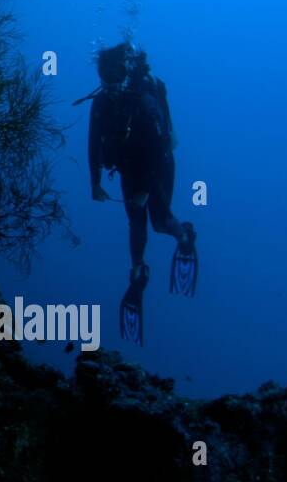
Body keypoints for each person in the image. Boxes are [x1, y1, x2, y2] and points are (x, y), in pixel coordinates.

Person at [78, 43, 198, 344]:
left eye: (115, 74)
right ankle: (137, 273)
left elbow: (159, 149)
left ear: (127, 71)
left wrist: (146, 189)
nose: (110, 82)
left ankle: (184, 236)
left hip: (157, 166)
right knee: (135, 222)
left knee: (158, 221)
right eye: (104, 75)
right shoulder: (102, 102)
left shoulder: (144, 99)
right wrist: (95, 181)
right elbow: (93, 143)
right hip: (130, 168)